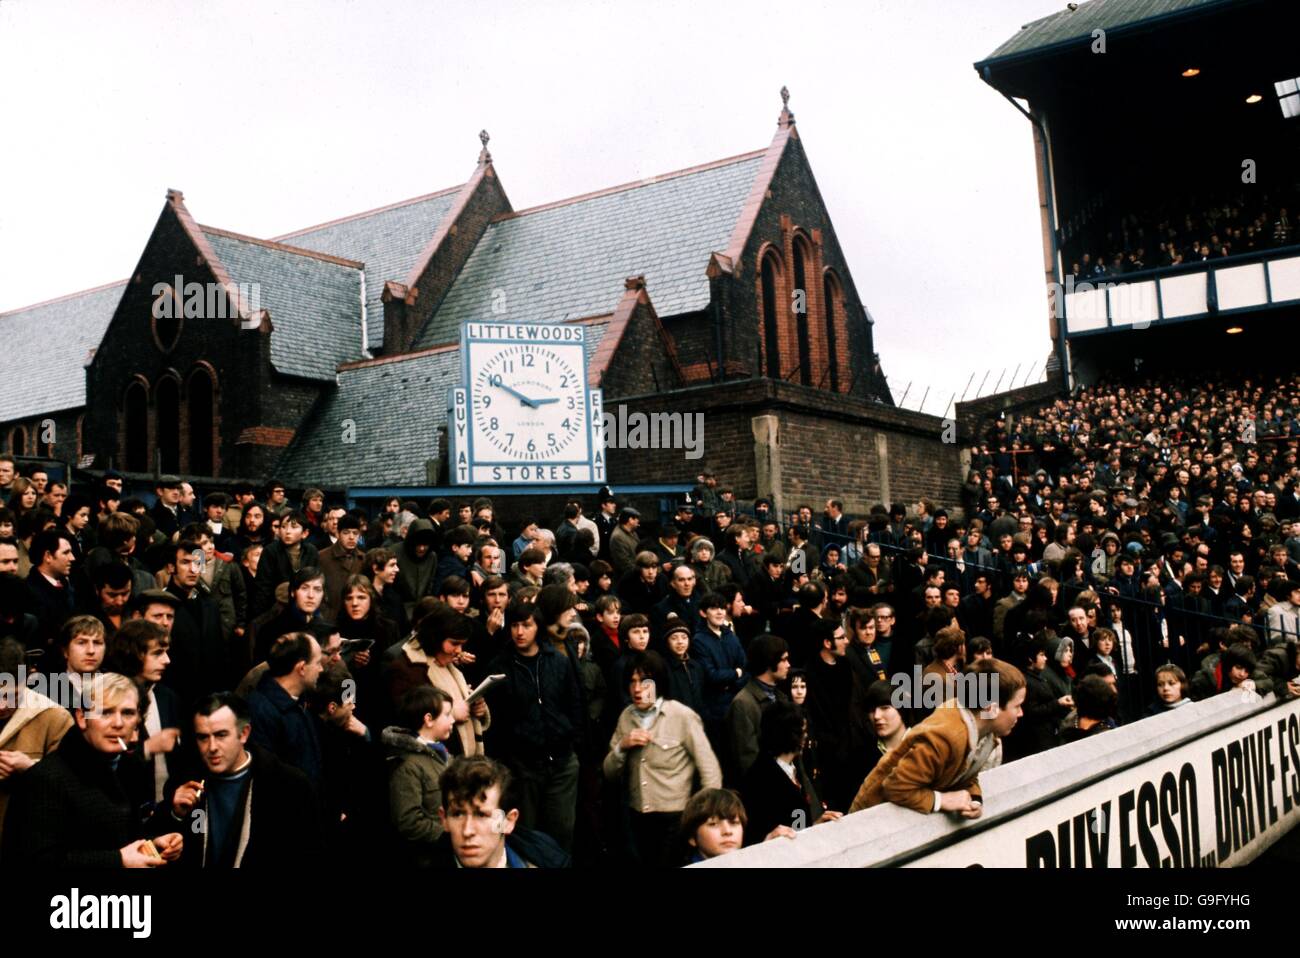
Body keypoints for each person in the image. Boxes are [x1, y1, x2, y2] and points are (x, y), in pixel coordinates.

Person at [0, 673, 184, 867]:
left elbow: (123, 837)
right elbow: (35, 861)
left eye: (128, 713)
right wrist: (118, 860)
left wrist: (151, 845)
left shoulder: (128, 768)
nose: (118, 723)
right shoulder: (47, 779)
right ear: (81, 717)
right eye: (105, 712)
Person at [166, 692, 324, 868]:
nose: (212, 747)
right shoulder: (185, 781)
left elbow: (309, 854)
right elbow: (165, 848)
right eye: (203, 737)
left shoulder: (288, 786)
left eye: (221, 735)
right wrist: (175, 815)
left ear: (244, 734)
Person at [849, 658, 1025, 815]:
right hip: (871, 823)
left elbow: (966, 772)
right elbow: (896, 787)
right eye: (1017, 706)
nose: (1021, 713)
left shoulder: (983, 732)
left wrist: (974, 799)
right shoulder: (946, 738)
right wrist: (943, 800)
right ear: (989, 708)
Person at [603, 651, 721, 866]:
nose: (637, 689)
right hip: (636, 817)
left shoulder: (681, 715)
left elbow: (710, 770)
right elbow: (609, 772)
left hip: (675, 818)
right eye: (632, 682)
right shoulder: (626, 717)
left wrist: (704, 818)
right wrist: (622, 746)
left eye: (645, 682)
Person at [482, 600, 583, 851]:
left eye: (526, 625)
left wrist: (570, 739)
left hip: (561, 762)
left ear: (537, 626)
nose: (520, 632)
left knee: (561, 833)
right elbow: (496, 721)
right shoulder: (500, 666)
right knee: (526, 834)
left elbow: (574, 704)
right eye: (514, 625)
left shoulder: (558, 661)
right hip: (522, 766)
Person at [383, 603, 490, 756]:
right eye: (454, 643)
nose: (459, 651)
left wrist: (475, 709)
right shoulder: (406, 668)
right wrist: (451, 713)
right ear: (436, 638)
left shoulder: (448, 663)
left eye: (461, 644)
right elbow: (407, 720)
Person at [433, 755, 570, 868]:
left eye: (481, 815)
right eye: (457, 814)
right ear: (444, 818)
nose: (467, 831)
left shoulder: (548, 858)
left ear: (508, 821)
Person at [0, 637, 73, 848]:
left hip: (26, 845)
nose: (2, 705)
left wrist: (31, 768)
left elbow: (75, 788)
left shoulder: (54, 718)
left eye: (11, 696)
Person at [102, 619, 180, 807]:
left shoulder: (167, 697)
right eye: (157, 653)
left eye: (166, 652)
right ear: (133, 654)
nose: (167, 660)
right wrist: (147, 749)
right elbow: (99, 769)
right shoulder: (105, 698)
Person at [740, 701, 841, 842]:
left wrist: (815, 826)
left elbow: (796, 825)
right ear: (788, 734)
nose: (805, 736)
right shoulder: (759, 779)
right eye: (802, 732)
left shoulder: (793, 768)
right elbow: (758, 835)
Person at [384, 685, 455, 867]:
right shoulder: (407, 765)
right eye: (447, 715)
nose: (453, 720)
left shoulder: (443, 755)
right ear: (428, 719)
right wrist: (449, 832)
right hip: (429, 858)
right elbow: (408, 821)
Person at [244, 631, 325, 783]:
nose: (321, 669)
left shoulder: (300, 702)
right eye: (318, 663)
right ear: (301, 668)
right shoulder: (259, 710)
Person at [723, 633, 791, 786]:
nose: (788, 665)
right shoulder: (743, 704)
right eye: (784, 659)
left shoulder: (781, 698)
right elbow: (747, 761)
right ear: (769, 662)